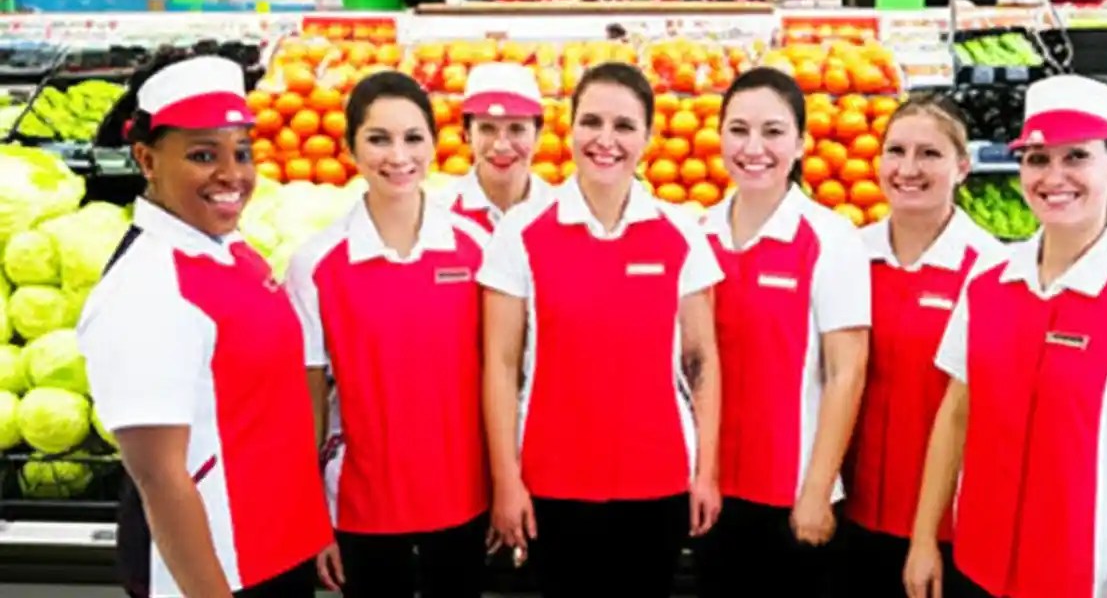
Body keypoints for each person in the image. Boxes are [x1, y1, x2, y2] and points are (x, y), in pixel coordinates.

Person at [904, 75, 1107, 598]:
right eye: (1037, 158)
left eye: (1076, 157)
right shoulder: (987, 284)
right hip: (980, 570)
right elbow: (957, 413)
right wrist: (923, 540)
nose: (1054, 177)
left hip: (1094, 582)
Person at [78, 54, 333, 598]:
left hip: (275, 550)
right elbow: (159, 477)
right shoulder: (146, 290)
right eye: (202, 155)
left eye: (241, 152)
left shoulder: (228, 248)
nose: (232, 175)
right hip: (219, 570)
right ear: (146, 159)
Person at [478, 61, 724, 598]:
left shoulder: (682, 231)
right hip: (551, 477)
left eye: (624, 126)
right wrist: (506, 479)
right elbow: (498, 365)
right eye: (591, 122)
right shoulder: (519, 234)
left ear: (649, 138)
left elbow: (701, 360)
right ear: (569, 129)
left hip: (658, 476)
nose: (605, 140)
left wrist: (706, 472)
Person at [286, 71, 492, 598]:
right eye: (378, 139)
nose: (398, 156)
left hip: (466, 497)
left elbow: (504, 374)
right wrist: (309, 518)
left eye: (412, 137)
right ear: (349, 146)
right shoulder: (315, 264)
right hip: (362, 505)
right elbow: (308, 401)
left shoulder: (480, 248)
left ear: (435, 140)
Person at [692, 66, 871, 598]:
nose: (754, 147)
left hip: (792, 493)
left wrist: (817, 491)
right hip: (712, 489)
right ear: (719, 135)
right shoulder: (696, 234)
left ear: (800, 144)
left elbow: (847, 371)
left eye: (773, 132)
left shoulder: (831, 239)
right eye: (739, 130)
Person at [839, 96, 1004, 597]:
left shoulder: (991, 271)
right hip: (852, 513)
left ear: (963, 167)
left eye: (929, 155)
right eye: (896, 151)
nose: (908, 169)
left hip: (949, 528)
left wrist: (928, 537)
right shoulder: (846, 255)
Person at [430, 62, 552, 231]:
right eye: (487, 129)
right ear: (467, 133)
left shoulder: (564, 215)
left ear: (538, 135)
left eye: (516, 129)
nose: (501, 145)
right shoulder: (436, 215)